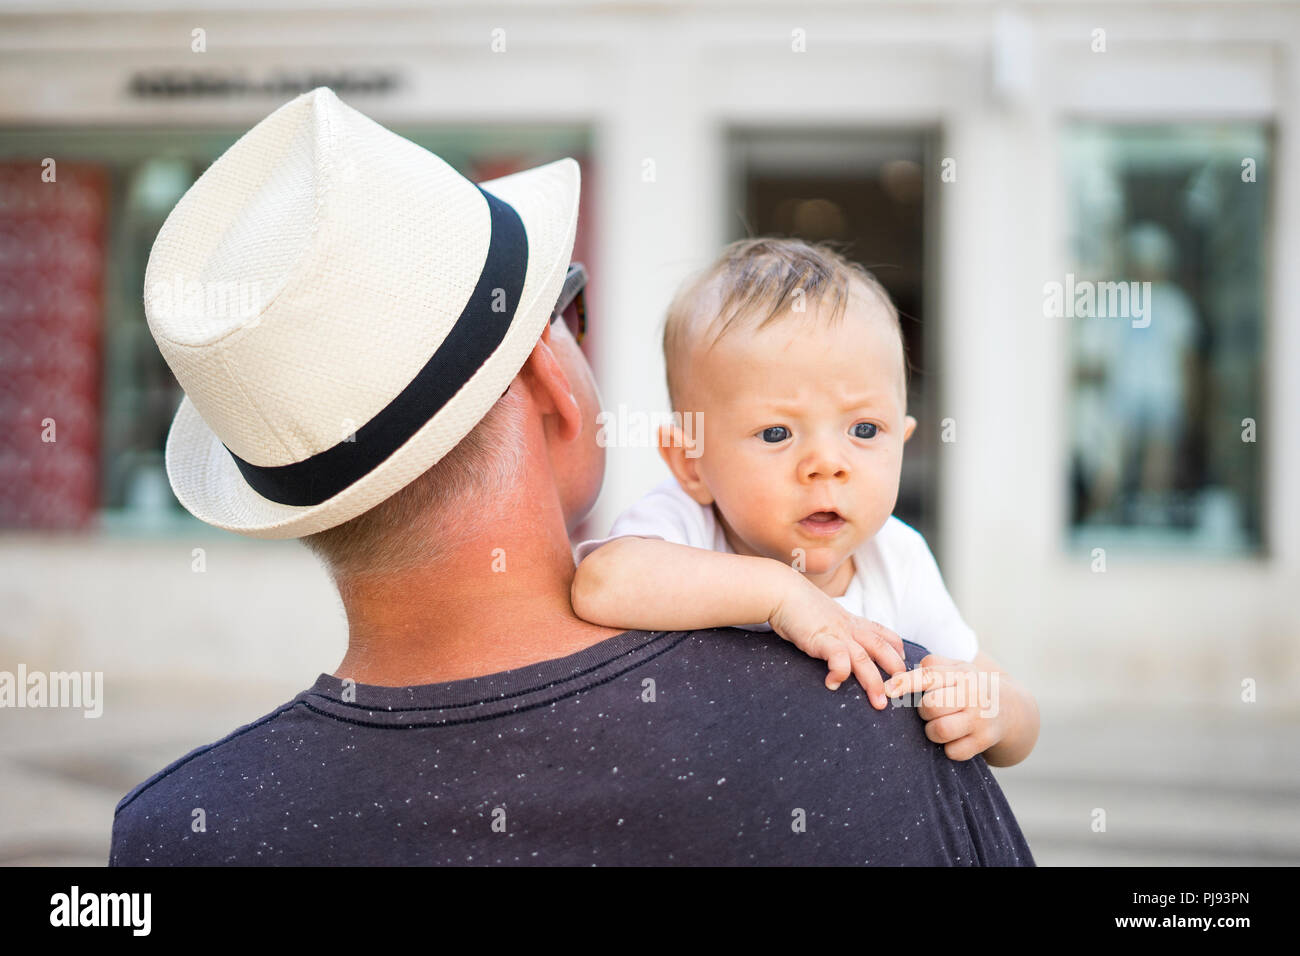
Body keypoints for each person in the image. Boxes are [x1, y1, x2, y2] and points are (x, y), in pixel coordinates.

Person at [109, 87, 1035, 865]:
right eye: (572, 311)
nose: (826, 461)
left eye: (865, 428)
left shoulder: (178, 839)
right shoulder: (880, 712)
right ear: (551, 381)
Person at [571, 239, 1040, 767]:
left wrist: (989, 709)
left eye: (864, 429)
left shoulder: (896, 560)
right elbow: (601, 583)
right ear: (691, 465)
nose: (827, 463)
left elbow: (1017, 717)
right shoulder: (687, 525)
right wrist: (780, 594)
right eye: (776, 433)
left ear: (902, 443)